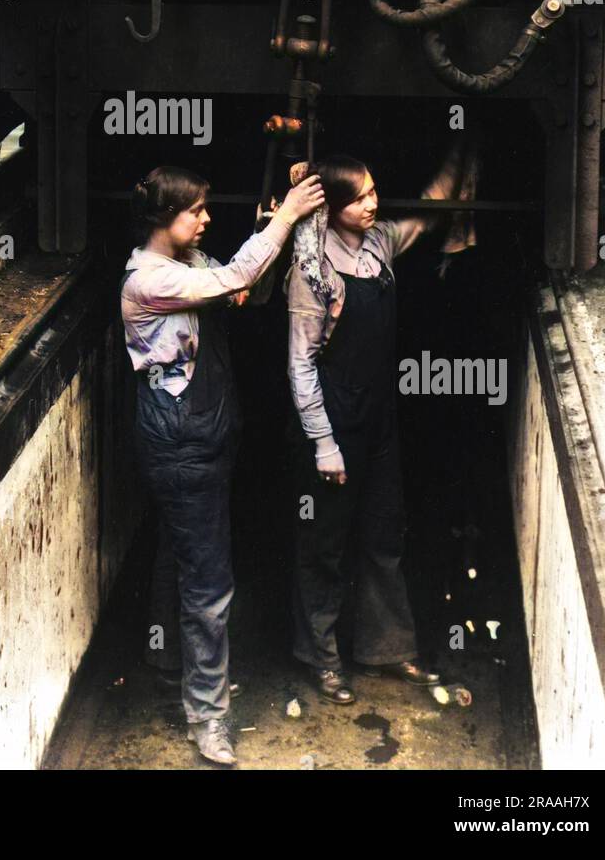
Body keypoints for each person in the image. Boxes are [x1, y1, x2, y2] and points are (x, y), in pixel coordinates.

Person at [121, 164, 324, 766]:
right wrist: (286, 218)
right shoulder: (149, 280)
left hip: (203, 431)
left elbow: (243, 290)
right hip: (180, 441)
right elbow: (238, 274)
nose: (207, 218)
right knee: (208, 586)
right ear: (167, 218)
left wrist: (269, 226)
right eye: (198, 211)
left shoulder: (192, 265)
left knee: (178, 552)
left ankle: (167, 664)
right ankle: (207, 717)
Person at [285, 145, 477, 704]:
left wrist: (460, 153)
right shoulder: (313, 269)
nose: (374, 202)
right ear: (333, 205)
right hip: (332, 421)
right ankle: (321, 658)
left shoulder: (379, 244)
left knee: (382, 534)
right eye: (361, 196)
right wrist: (323, 444)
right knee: (323, 542)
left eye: (373, 191)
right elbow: (300, 364)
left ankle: (387, 648)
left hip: (378, 419)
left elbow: (429, 209)